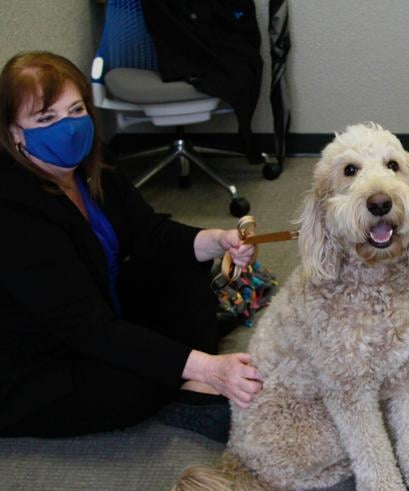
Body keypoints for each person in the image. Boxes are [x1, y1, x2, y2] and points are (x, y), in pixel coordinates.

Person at [0, 51, 263, 441]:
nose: (69, 128)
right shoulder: (13, 209)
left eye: (75, 110)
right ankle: (199, 380)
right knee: (129, 383)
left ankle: (192, 384)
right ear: (14, 133)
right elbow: (90, 329)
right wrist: (209, 367)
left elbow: (151, 233)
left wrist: (218, 241)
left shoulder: (92, 163)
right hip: (39, 359)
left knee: (185, 268)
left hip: (102, 305)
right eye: (46, 119)